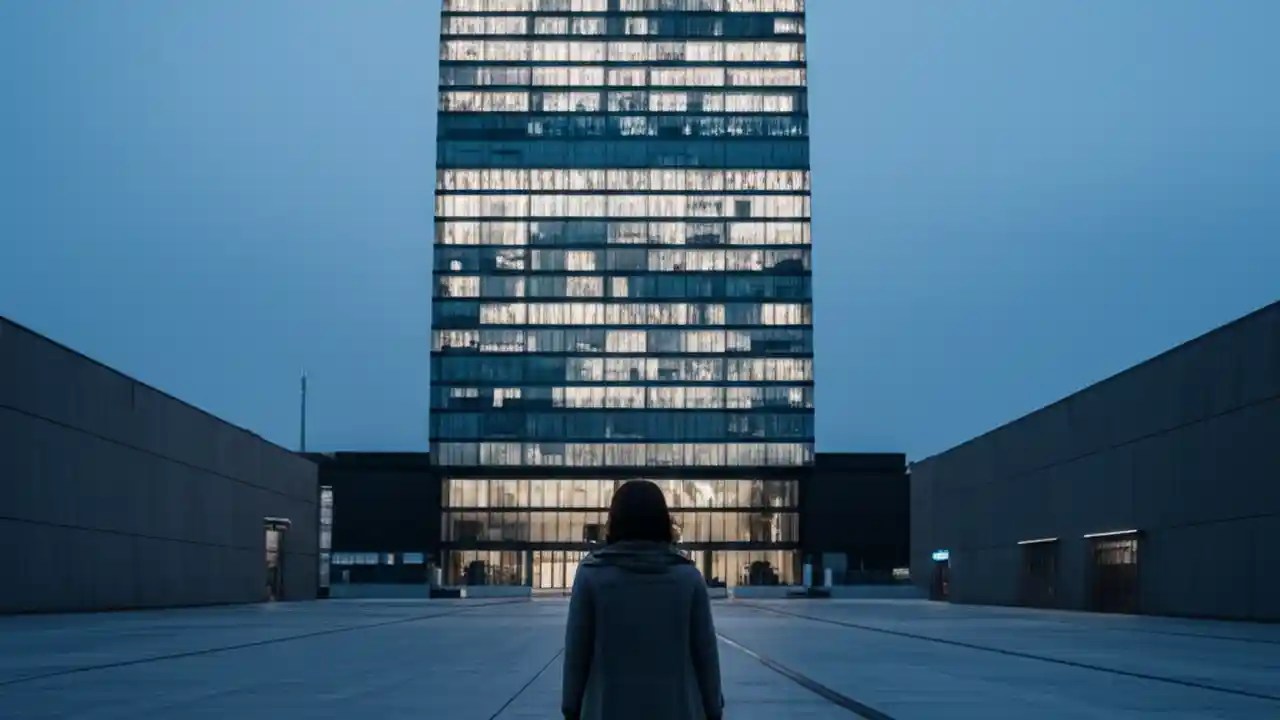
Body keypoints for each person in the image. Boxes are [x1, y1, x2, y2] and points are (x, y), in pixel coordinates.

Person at [562, 480, 724, 720]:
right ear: (663, 521)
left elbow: (577, 653)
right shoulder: (688, 578)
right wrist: (713, 709)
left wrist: (571, 707)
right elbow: (706, 655)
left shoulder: (591, 576)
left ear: (614, 521)